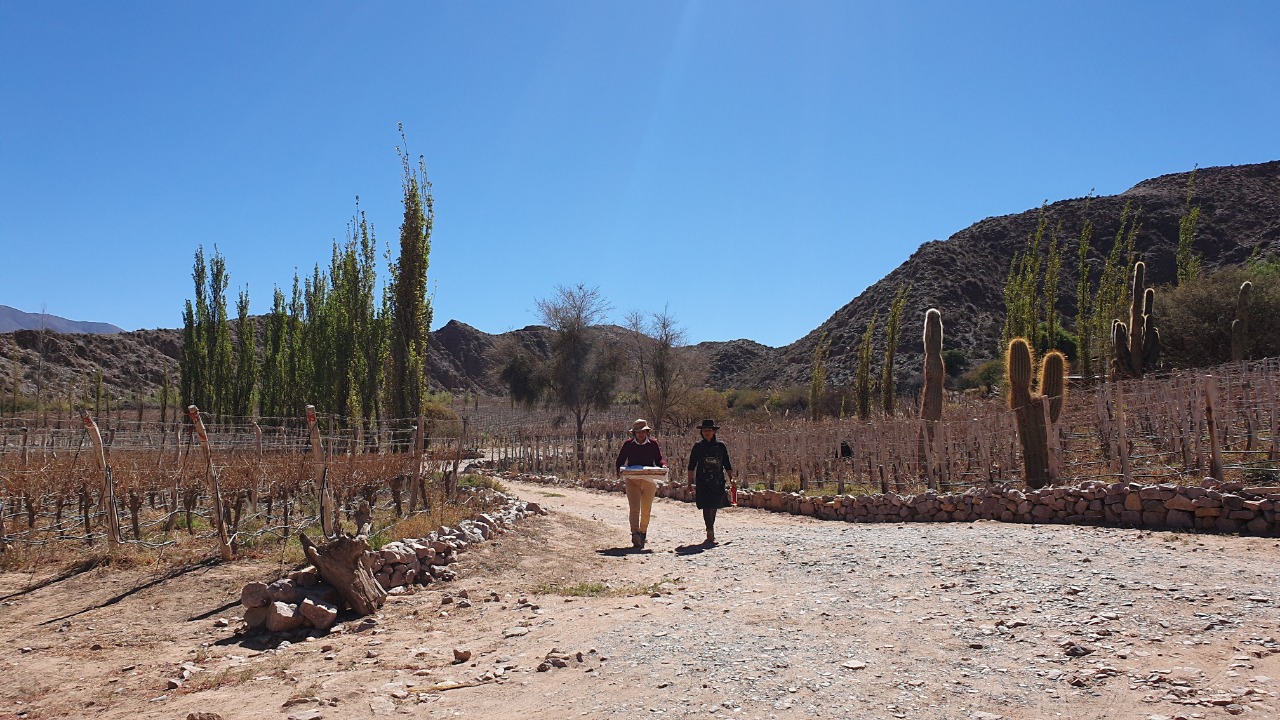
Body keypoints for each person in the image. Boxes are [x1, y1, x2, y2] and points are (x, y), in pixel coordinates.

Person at [615, 418, 666, 549]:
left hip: (649, 480)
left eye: (643, 432)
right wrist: (620, 471)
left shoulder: (653, 444)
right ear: (634, 434)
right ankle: (634, 533)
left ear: (647, 432)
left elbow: (658, 459)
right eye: (638, 432)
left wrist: (663, 466)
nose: (641, 434)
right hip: (632, 480)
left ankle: (643, 532)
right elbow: (620, 459)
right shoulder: (628, 444)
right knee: (634, 508)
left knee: (646, 508)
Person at [687, 418, 733, 545]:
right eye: (705, 430)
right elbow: (691, 466)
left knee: (715, 505)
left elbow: (727, 463)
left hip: (718, 480)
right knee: (707, 505)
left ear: (714, 432)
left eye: (709, 430)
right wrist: (689, 483)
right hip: (702, 481)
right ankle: (709, 528)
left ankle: (711, 526)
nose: (707, 432)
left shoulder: (720, 446)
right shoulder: (698, 447)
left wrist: (732, 479)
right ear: (701, 432)